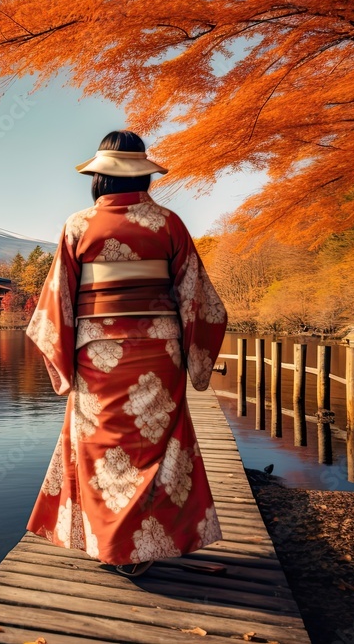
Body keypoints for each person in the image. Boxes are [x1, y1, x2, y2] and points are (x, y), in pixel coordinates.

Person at [25, 130, 227, 577]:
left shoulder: (78, 225)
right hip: (159, 350)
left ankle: (108, 541)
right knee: (157, 446)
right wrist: (195, 357)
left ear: (98, 179)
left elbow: (58, 300)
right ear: (144, 176)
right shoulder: (168, 224)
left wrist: (62, 361)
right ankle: (146, 544)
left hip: (97, 354)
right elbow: (196, 296)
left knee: (100, 448)